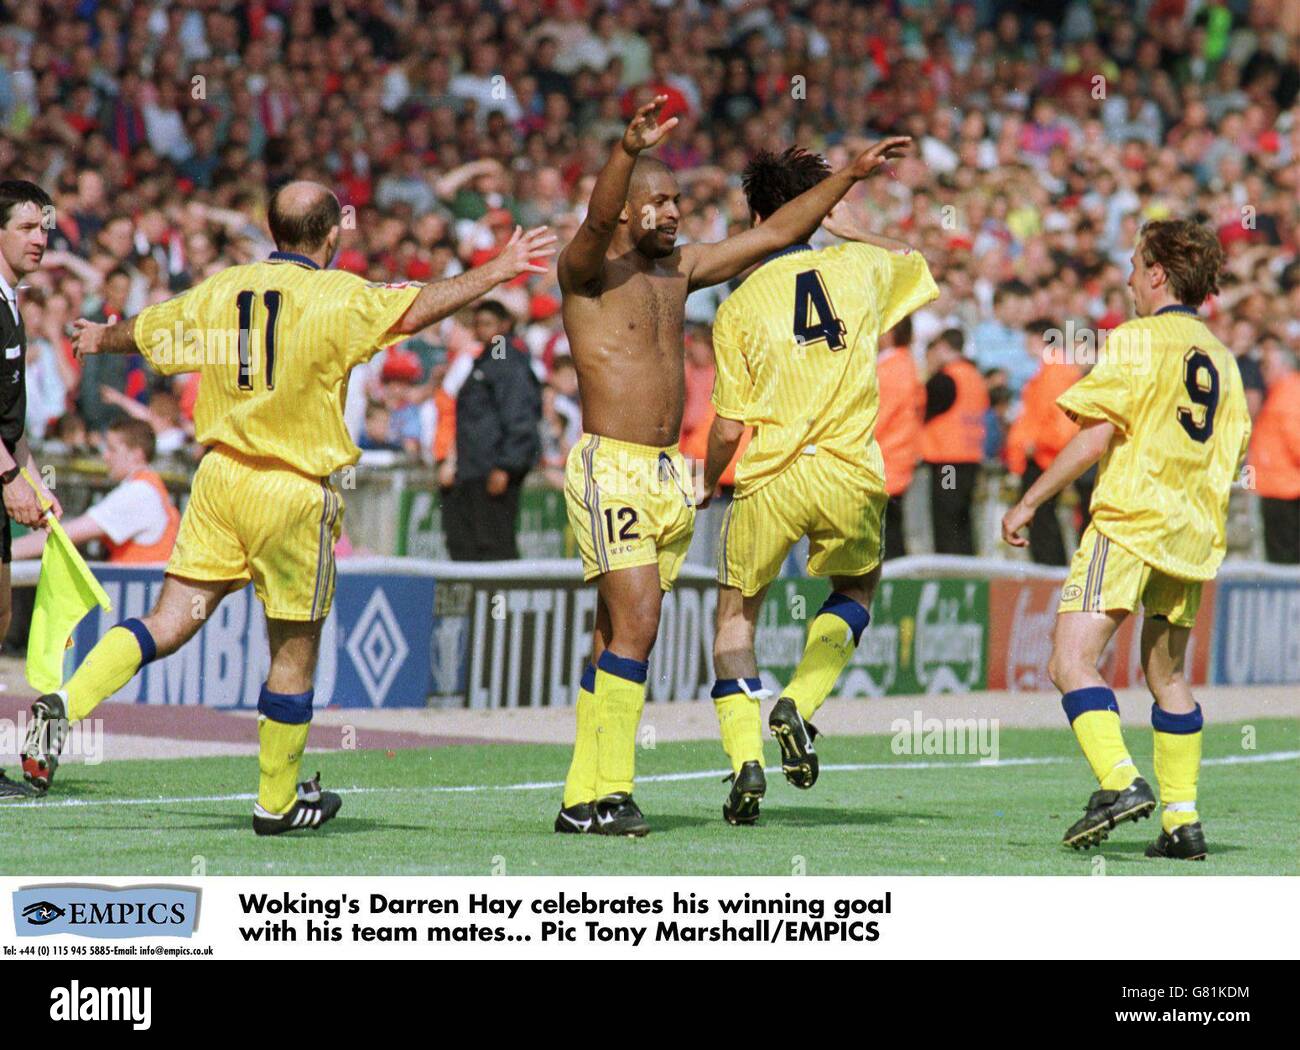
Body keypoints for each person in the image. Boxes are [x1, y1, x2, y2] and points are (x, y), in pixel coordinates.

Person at [20, 180, 555, 836]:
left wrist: (102, 337)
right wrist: (497, 269)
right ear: (332, 236)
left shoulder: (224, 288)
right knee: (294, 648)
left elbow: (153, 328)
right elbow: (416, 308)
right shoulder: (337, 295)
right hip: (291, 489)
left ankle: (64, 704)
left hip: (219, 479)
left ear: (273, 231)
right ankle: (277, 802)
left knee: (168, 620)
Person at [553, 96, 907, 837]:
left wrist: (849, 175)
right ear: (625, 211)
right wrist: (624, 151)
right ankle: (613, 792)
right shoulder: (587, 269)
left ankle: (579, 797)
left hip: (662, 471)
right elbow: (592, 224)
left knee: (611, 632)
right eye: (658, 202)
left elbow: (779, 231)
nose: (674, 213)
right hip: (610, 467)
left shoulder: (681, 271)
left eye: (679, 200)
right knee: (640, 625)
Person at [1002, 219, 1251, 861]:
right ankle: (1182, 821)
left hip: (1130, 520)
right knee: (1166, 676)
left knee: (1070, 661)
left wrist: (1030, 500)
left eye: (1137, 267)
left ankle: (1119, 782)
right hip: (1193, 535)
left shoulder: (1138, 341)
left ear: (1159, 274)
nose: (1130, 280)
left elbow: (1095, 435)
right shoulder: (1224, 360)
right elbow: (1234, 453)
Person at [701, 149, 937, 824]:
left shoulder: (736, 305)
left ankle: (745, 760)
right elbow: (915, 260)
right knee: (856, 589)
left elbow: (726, 425)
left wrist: (709, 478)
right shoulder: (859, 267)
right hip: (848, 473)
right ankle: (799, 705)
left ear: (754, 216)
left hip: (770, 475)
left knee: (736, 617)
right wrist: (851, 228)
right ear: (820, 210)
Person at [0, 180, 63, 798]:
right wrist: (9, 477)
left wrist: (36, 483)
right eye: (26, 227)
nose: (40, 238)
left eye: (44, 228)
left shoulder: (14, 303)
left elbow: (9, 420)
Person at [442, 300, 542, 560]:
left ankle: (499, 601)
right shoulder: (486, 360)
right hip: (474, 470)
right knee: (469, 545)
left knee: (494, 546)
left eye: (488, 324)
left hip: (492, 472)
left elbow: (520, 418)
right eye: (478, 325)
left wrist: (506, 467)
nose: (482, 330)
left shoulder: (506, 361)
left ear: (504, 326)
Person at [11, 418, 179, 564]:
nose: (105, 456)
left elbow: (65, 534)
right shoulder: (149, 485)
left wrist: (9, 552)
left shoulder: (139, 492)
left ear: (136, 454)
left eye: (112, 449)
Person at [1004, 319, 1083, 565]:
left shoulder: (1056, 372)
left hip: (1045, 457)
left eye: (1029, 339)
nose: (1026, 346)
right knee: (1042, 523)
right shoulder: (1050, 371)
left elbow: (1061, 423)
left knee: (1043, 523)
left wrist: (1036, 444)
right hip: (1043, 455)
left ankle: (1050, 578)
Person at [922, 328, 987, 554]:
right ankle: (966, 565)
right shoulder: (975, 376)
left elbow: (922, 408)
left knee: (947, 518)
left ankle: (950, 572)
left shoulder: (945, 378)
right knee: (963, 519)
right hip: (971, 458)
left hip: (948, 461)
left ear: (943, 347)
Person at [875, 317, 924, 560]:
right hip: (897, 458)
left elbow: (876, 417)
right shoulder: (906, 364)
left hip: (885, 458)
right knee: (891, 531)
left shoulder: (891, 369)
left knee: (885, 536)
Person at [1249, 347, 1300, 563]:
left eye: (1268, 365)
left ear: (1284, 366)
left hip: (1286, 491)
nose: (1263, 371)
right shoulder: (1283, 392)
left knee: (1284, 563)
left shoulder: (1290, 394)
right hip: (1278, 488)